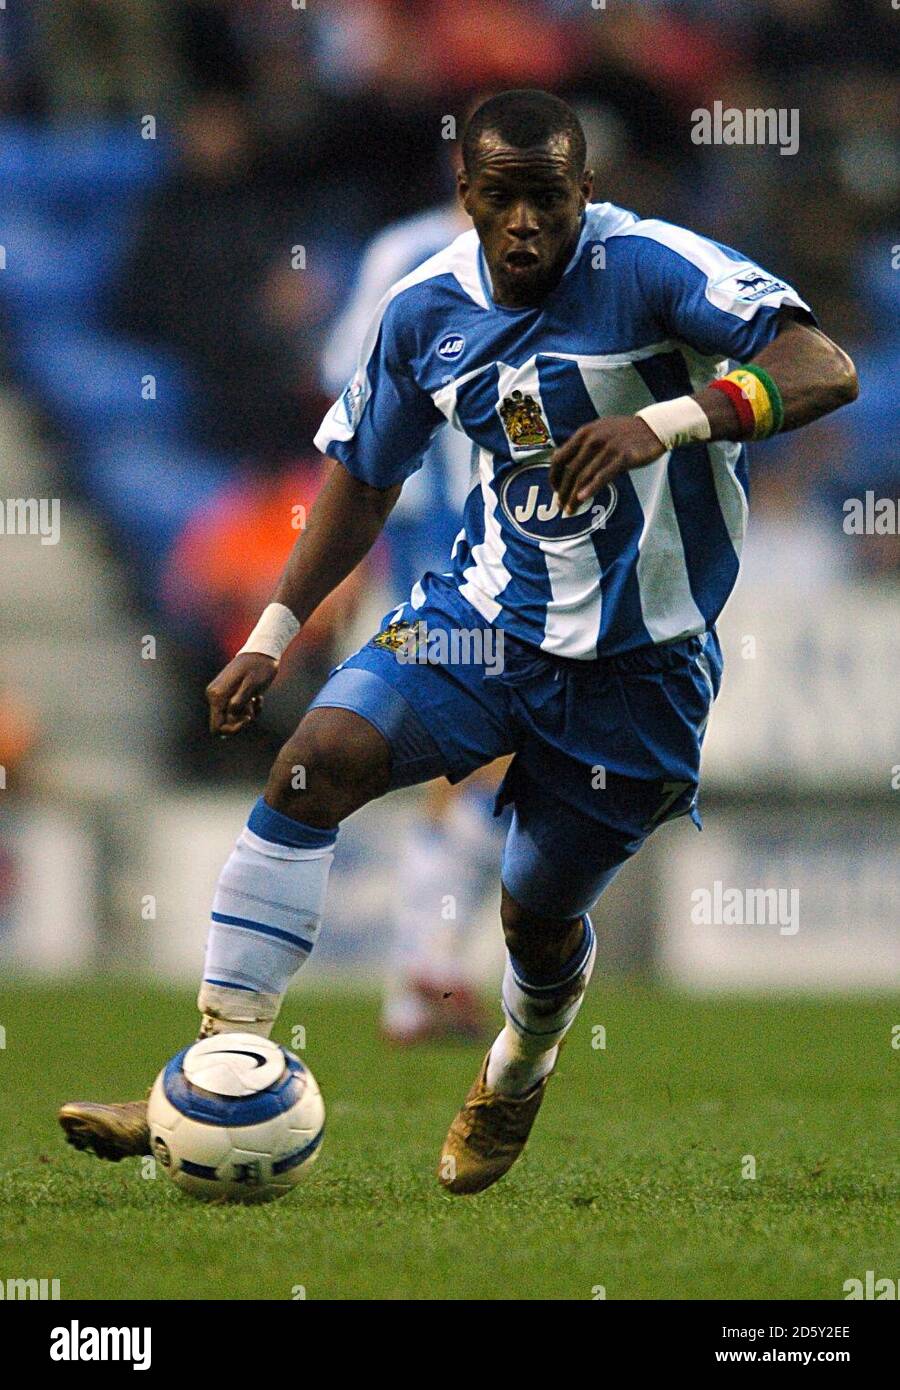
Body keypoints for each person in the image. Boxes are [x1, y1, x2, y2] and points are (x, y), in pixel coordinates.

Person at [60, 90, 858, 1195]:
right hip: (480, 621)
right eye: (502, 198)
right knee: (312, 765)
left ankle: (518, 1066)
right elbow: (362, 478)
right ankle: (208, 1064)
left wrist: (663, 422)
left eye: (550, 198)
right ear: (466, 195)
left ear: (587, 194)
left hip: (642, 668)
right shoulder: (422, 307)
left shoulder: (661, 268)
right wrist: (273, 636)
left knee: (535, 917)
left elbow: (826, 367)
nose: (525, 222)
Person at [322, 197, 503, 1044]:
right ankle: (421, 977)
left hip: (513, 548)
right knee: (484, 759)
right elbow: (350, 384)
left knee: (485, 762)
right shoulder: (408, 248)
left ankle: (425, 976)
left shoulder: (586, 257)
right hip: (440, 548)